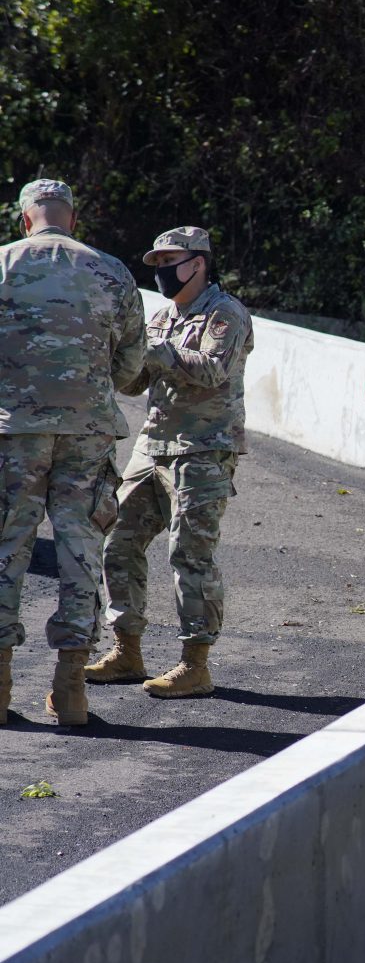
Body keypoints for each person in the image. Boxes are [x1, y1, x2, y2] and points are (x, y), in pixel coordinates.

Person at [0, 178, 146, 726]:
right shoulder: (111, 270)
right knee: (80, 550)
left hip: (13, 432)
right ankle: (71, 693)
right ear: (73, 219)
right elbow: (131, 368)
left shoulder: (5, 264)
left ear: (24, 219)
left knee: (6, 546)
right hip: (88, 431)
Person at [86, 227, 253, 698]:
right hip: (153, 446)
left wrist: (155, 351)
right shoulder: (160, 317)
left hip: (202, 450)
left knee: (189, 554)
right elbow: (135, 385)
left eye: (169, 261)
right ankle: (127, 653)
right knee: (117, 541)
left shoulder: (225, 313)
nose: (159, 272)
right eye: (155, 264)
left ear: (198, 263)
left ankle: (195, 665)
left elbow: (212, 369)